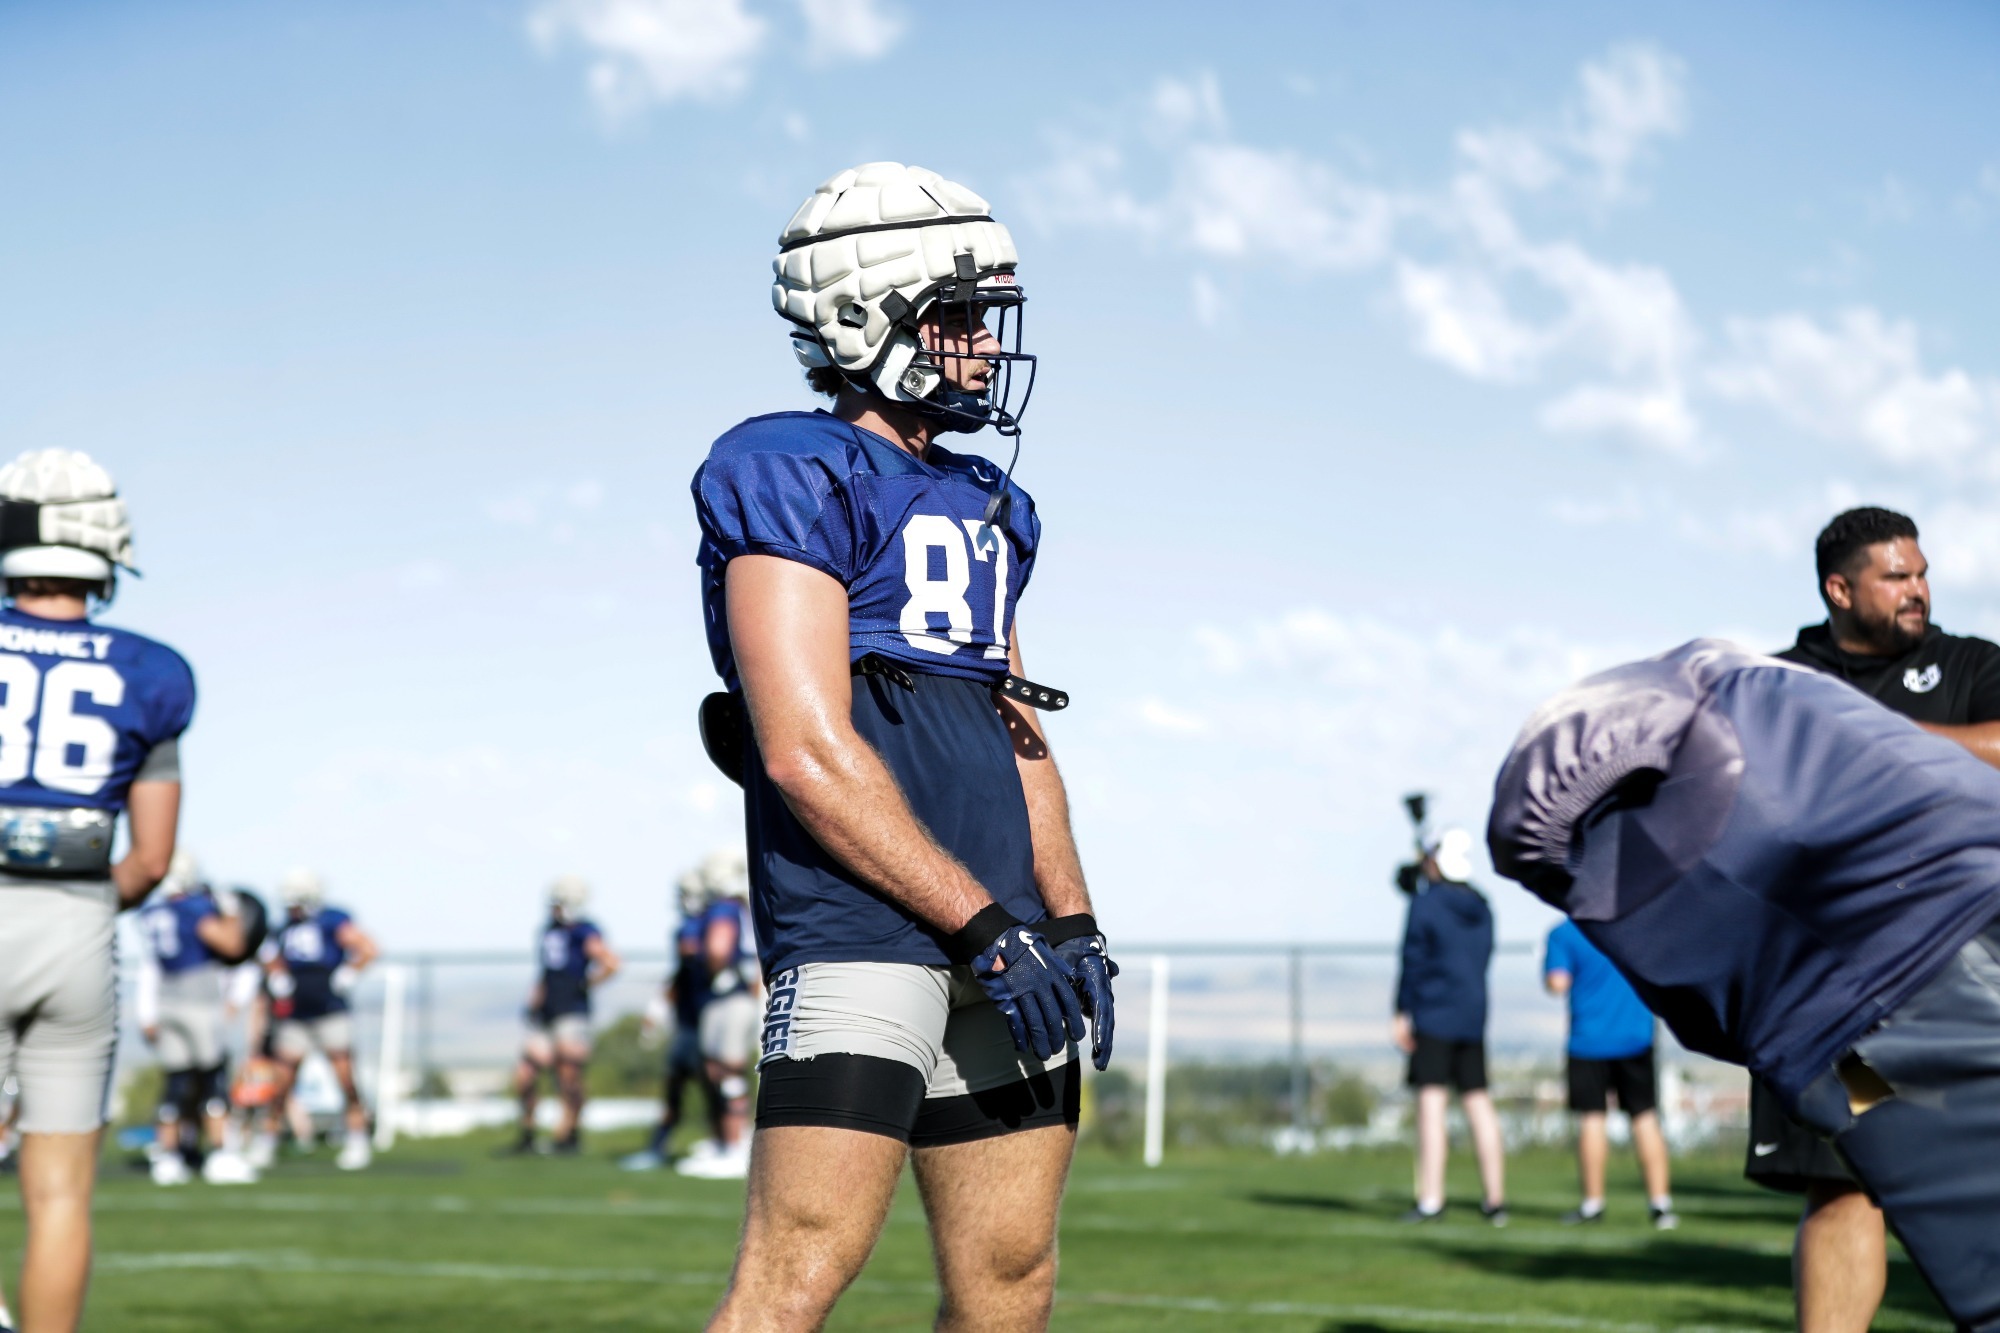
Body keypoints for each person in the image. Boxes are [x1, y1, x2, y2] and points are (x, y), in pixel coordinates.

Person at [690, 162, 1117, 1329]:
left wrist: (1063, 917)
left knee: (1010, 1280)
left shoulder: (986, 500)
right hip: (861, 927)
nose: (983, 344)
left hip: (1007, 937)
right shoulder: (784, 465)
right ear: (860, 313)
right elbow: (802, 748)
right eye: (958, 315)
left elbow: (1013, 720)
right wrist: (977, 922)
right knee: (798, 1272)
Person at [1491, 639, 2000, 1332]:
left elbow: (1711, 1022)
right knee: (1894, 1186)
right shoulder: (1773, 725)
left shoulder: (1648, 890)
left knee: (1927, 1184)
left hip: (1848, 1046)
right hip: (1888, 1017)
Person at [1741, 506, 2000, 1332]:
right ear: (1839, 588)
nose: (1918, 590)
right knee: (1848, 1177)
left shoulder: (1969, 665)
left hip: (1965, 989)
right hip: (1833, 1002)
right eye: (1898, 576)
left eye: (1922, 572)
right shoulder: (1774, 687)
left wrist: (1881, 740)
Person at [0, 449, 191, 1333]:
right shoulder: (151, 670)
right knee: (62, 1190)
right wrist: (76, 907)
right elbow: (151, 858)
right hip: (79, 919)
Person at [1391, 827, 1506, 1225]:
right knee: (1478, 1102)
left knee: (1431, 1104)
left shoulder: (1426, 905)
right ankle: (1495, 1200)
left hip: (1435, 1014)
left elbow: (1413, 959)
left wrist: (1402, 1011)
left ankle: (1431, 1199)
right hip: (1473, 1014)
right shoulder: (1482, 904)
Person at [134, 847, 258, 1185]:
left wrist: (145, 1013)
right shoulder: (194, 909)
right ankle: (221, 1153)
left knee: (176, 1082)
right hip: (198, 1002)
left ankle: (168, 1158)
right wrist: (230, 912)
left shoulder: (151, 911)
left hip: (166, 1002)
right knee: (212, 1080)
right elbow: (232, 946)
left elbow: (152, 966)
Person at [1543, 920, 1675, 1229]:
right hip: (1636, 1036)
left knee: (1592, 1118)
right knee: (1644, 1117)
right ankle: (1660, 1204)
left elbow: (1557, 983)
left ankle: (1592, 1204)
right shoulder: (1634, 926)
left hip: (1588, 1040)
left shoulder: (1563, 933)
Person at [252, 869, 377, 1172]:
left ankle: (358, 1138)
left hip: (330, 1010)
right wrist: (277, 975)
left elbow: (367, 948)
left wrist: (349, 972)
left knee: (345, 1078)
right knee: (280, 1083)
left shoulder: (333, 919)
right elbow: (268, 956)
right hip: (296, 1014)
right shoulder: (283, 928)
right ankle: (266, 1140)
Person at [511, 875, 619, 1155]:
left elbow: (609, 962)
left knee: (568, 1073)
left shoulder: (584, 931)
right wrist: (535, 1001)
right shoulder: (548, 930)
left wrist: (585, 985)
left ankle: (568, 1133)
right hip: (546, 1012)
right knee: (525, 1073)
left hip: (572, 1011)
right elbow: (546, 972)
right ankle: (528, 1131)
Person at [677, 849, 761, 1179]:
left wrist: (710, 967)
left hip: (728, 997)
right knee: (718, 1070)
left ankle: (735, 1144)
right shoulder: (739, 905)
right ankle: (727, 1142)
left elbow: (718, 949)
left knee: (727, 1071)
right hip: (734, 997)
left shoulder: (724, 908)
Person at [621, 870, 711, 1171]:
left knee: (717, 1085)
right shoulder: (690, 928)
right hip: (689, 1021)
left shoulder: (717, 923)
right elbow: (679, 977)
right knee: (676, 1084)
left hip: (709, 1019)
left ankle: (726, 1143)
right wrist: (658, 1011)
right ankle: (660, 1144)